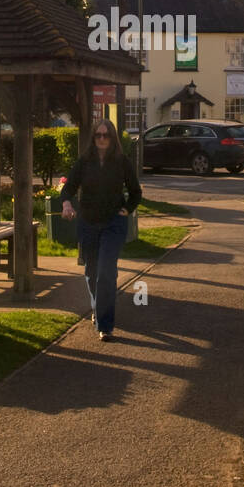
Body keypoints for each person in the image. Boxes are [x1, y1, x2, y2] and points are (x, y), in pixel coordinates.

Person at [61, 117, 142, 342]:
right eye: (98, 135)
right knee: (92, 272)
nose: (102, 139)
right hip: (88, 223)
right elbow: (68, 189)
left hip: (113, 223)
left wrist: (127, 209)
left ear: (113, 137)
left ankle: (105, 325)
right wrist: (66, 203)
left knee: (106, 271)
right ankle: (98, 309)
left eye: (106, 135)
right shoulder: (84, 162)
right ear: (93, 137)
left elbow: (136, 192)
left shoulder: (122, 162)